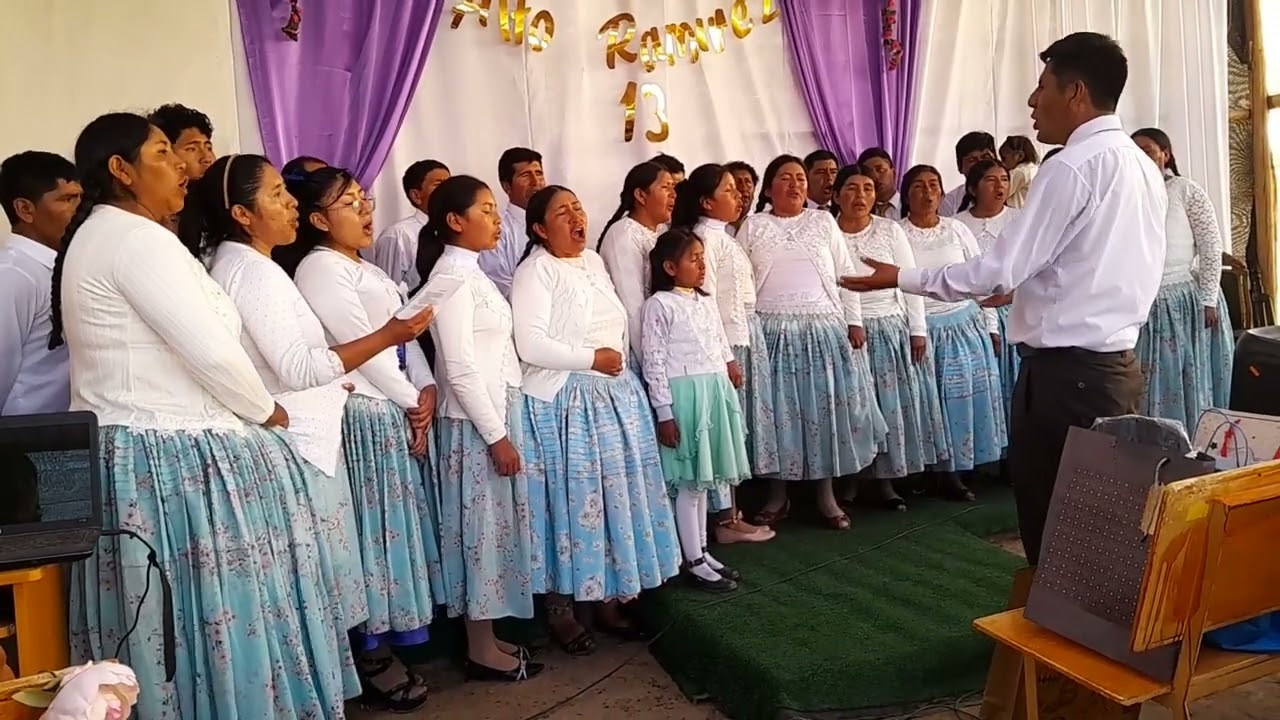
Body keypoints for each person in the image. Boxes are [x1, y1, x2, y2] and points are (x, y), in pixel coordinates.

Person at [54, 112, 359, 718]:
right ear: (121, 170)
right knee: (215, 609)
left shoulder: (117, 234)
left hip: (146, 448)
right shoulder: (133, 238)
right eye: (164, 153)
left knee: (178, 617)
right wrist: (267, 410)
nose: (181, 167)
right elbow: (212, 354)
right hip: (170, 456)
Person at [840, 32, 1166, 565]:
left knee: (1057, 528)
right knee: (1103, 526)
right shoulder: (1139, 164)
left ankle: (1056, 641)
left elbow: (996, 271)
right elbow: (1101, 263)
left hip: (1068, 378)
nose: (1033, 103)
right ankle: (1089, 637)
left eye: (1042, 88)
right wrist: (1030, 286)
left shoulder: (1071, 166)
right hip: (1113, 366)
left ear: (1076, 92)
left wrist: (901, 278)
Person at [190, 155, 436, 691]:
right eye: (278, 195)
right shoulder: (253, 271)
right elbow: (298, 367)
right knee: (328, 573)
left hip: (308, 430)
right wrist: (389, 339)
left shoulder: (255, 265)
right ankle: (344, 678)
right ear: (242, 213)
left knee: (333, 570)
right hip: (301, 437)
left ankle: (337, 679)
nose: (291, 204)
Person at [283, 166, 442, 710]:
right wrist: (407, 402)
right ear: (318, 219)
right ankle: (368, 652)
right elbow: (363, 345)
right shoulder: (321, 268)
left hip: (392, 407)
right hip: (365, 414)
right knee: (370, 533)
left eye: (364, 199)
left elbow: (405, 332)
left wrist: (425, 389)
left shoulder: (360, 266)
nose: (365, 210)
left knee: (391, 530)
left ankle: (388, 640)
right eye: (350, 203)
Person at [511, 184, 681, 656]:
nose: (575, 216)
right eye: (561, 212)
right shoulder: (535, 272)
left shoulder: (592, 262)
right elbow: (530, 343)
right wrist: (591, 358)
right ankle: (562, 613)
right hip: (567, 403)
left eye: (578, 207)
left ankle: (609, 595)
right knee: (571, 505)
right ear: (541, 229)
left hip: (614, 397)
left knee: (614, 503)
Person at [418, 175, 544, 682]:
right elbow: (461, 368)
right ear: (455, 221)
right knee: (479, 536)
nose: (496, 220)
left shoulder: (471, 273)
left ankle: (487, 636)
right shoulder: (451, 278)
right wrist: (496, 435)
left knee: (494, 533)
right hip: (474, 426)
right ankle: (478, 647)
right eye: (486, 210)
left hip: (492, 415)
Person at [739, 155, 887, 531]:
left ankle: (826, 496)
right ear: (769, 187)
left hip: (823, 331)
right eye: (785, 179)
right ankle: (777, 496)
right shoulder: (753, 226)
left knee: (824, 413)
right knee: (779, 415)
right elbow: (739, 285)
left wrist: (853, 322)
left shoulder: (822, 221)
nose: (795, 185)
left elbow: (846, 275)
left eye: (801, 179)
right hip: (771, 336)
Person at [641, 228, 751, 592]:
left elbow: (718, 338)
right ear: (670, 267)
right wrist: (664, 412)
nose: (701, 265)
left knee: (705, 480)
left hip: (712, 390)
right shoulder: (660, 304)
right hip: (685, 396)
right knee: (690, 482)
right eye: (693, 259)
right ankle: (693, 560)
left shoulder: (703, 300)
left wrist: (729, 361)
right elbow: (654, 361)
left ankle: (703, 551)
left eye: (702, 257)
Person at [833, 164, 948, 510]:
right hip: (846, 333)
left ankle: (887, 483)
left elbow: (910, 281)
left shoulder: (889, 231)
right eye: (852, 188)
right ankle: (850, 481)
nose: (861, 196)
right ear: (837, 195)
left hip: (888, 327)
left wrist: (918, 330)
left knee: (890, 407)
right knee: (854, 409)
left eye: (868, 189)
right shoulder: (827, 231)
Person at [674, 165, 776, 542]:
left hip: (744, 337)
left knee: (734, 432)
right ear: (706, 202)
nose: (739, 196)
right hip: (726, 345)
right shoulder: (705, 239)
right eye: (729, 190)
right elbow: (708, 305)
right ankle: (725, 519)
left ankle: (733, 512)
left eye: (738, 190)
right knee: (722, 432)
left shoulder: (726, 236)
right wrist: (726, 358)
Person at [897, 165, 1005, 501]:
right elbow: (899, 285)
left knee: (963, 402)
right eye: (918, 186)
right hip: (923, 331)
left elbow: (980, 281)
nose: (927, 193)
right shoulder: (898, 233)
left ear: (942, 193)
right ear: (906, 195)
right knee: (930, 403)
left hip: (965, 325)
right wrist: (915, 329)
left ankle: (958, 472)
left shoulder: (957, 229)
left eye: (933, 185)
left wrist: (990, 327)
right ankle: (929, 471)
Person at [1132, 127, 1233, 418]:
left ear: (1166, 154)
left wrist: (1208, 299)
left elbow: (1211, 247)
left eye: (1148, 151)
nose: (1141, 157)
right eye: (1134, 152)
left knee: (1182, 374)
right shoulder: (1125, 196)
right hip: (1141, 303)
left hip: (1181, 300)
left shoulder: (1184, 189)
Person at [0, 151, 80, 416]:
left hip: (66, 436)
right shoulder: (12, 275)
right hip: (23, 440)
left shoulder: (66, 265)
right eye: (67, 199)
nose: (79, 210)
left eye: (80, 197)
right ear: (25, 209)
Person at [955, 158, 1022, 417]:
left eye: (1004, 180)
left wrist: (1012, 295)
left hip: (1016, 310)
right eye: (991, 180)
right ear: (972, 189)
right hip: (974, 316)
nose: (1000, 187)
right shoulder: (957, 224)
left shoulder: (1021, 219)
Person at [597, 162, 676, 360]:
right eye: (665, 187)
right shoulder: (623, 234)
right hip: (639, 348)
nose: (673, 194)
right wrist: (651, 364)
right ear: (641, 195)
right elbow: (633, 307)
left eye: (673, 187)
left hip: (665, 342)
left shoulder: (662, 231)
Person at [369, 159, 450, 290]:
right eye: (439, 184)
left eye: (450, 184)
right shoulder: (398, 235)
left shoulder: (458, 231)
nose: (448, 191)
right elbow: (387, 290)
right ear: (416, 196)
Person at [480, 148, 545, 299]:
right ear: (506, 186)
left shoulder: (555, 222)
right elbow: (501, 286)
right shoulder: (496, 229)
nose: (536, 183)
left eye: (539, 174)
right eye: (525, 176)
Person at [939, 132, 997, 217]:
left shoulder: (1013, 194)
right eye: (972, 160)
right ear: (960, 166)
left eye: (986, 157)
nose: (980, 163)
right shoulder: (950, 202)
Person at [856, 147, 900, 219]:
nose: (875, 176)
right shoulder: (858, 210)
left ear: (894, 174)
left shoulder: (911, 207)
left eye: (880, 170)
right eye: (868, 172)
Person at [999, 135, 1040, 208]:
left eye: (1004, 158)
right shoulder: (1033, 168)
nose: (1002, 163)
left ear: (1019, 156)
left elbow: (1002, 193)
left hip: (1015, 210)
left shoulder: (1020, 172)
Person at [723, 160, 758, 236]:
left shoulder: (763, 226)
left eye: (748, 182)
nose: (744, 188)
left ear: (754, 188)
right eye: (737, 182)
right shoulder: (715, 228)